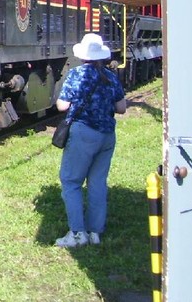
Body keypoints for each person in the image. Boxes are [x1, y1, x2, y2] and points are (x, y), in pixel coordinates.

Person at [54, 33, 127, 248]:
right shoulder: (111, 77)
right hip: (106, 136)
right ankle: (95, 233)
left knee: (71, 181)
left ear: (83, 55)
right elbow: (121, 108)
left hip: (83, 133)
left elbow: (62, 106)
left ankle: (77, 234)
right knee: (97, 183)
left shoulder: (77, 75)